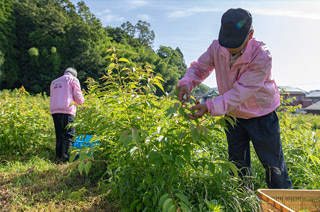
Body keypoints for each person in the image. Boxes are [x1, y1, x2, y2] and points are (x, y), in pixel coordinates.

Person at [177, 8, 293, 189]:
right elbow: (200, 67)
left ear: (250, 35)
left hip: (261, 115)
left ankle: (282, 202)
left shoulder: (261, 55)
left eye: (235, 44)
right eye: (226, 43)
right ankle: (243, 201)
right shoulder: (217, 46)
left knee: (274, 166)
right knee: (237, 165)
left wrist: (208, 107)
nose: (229, 48)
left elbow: (242, 91)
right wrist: (186, 82)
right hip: (232, 116)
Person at [50, 68, 85, 162]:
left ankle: (58, 156)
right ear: (74, 75)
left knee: (59, 133)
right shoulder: (73, 79)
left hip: (54, 110)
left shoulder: (54, 82)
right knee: (68, 134)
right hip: (66, 109)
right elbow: (77, 96)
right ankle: (67, 158)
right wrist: (82, 102)